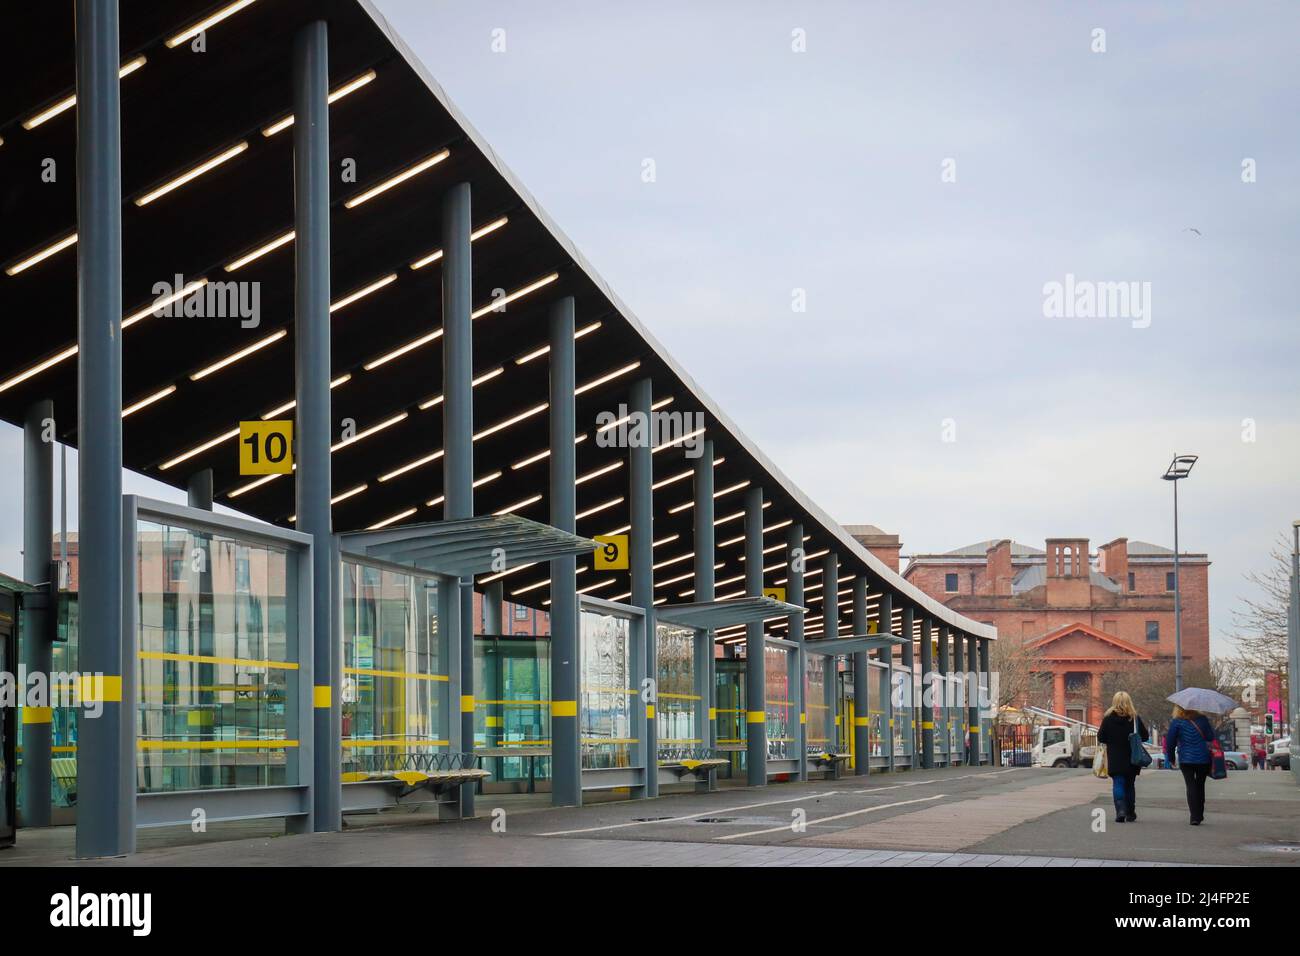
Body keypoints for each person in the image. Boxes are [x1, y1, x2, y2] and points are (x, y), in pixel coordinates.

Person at [1096, 691, 1148, 823]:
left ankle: (1120, 810)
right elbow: (1145, 736)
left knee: (1118, 783)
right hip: (1132, 757)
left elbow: (1101, 737)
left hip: (1115, 757)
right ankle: (1130, 812)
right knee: (1130, 785)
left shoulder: (1108, 718)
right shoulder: (1134, 718)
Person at [1165, 705, 1215, 825]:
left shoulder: (1177, 722)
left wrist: (1171, 758)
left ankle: (1194, 816)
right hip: (1203, 758)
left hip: (1185, 759)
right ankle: (1200, 813)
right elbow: (1210, 737)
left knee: (1190, 785)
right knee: (1200, 784)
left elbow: (1170, 742)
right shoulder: (1202, 719)